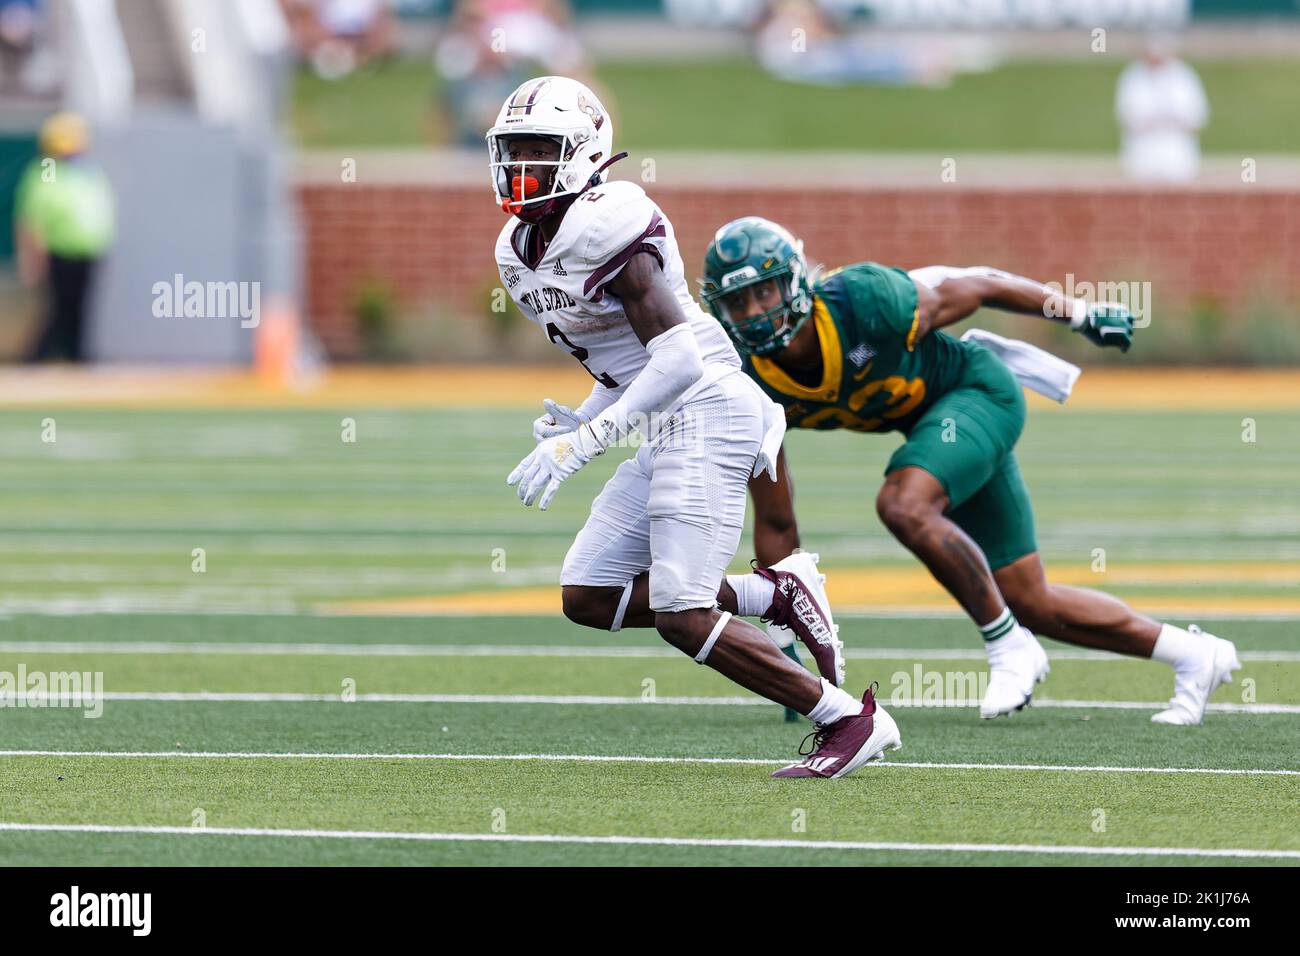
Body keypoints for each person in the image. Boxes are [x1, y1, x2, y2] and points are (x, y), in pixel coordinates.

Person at [493, 76, 899, 778]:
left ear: (587, 152)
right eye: (513, 149)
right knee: (588, 596)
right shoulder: (516, 250)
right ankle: (772, 596)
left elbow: (677, 352)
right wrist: (586, 414)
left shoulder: (608, 217)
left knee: (681, 612)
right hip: (667, 417)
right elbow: (623, 356)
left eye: (542, 148)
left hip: (709, 407)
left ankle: (848, 719)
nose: (523, 165)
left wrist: (587, 441)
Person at [696, 217, 1240, 727]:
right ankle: (1193, 655)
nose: (751, 312)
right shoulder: (746, 382)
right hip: (940, 434)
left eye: (762, 292)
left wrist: (1077, 312)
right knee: (1032, 598)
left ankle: (1007, 644)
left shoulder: (864, 302)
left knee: (903, 504)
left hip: (978, 395)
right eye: (736, 302)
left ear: (793, 282)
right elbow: (775, 520)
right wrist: (782, 628)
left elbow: (979, 285)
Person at [14, 112, 115, 362]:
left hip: (88, 250)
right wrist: (31, 254)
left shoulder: (86, 170)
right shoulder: (49, 169)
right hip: (61, 250)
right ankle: (38, 358)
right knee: (61, 309)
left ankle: (76, 355)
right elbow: (34, 214)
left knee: (79, 308)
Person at [1115, 35, 1208, 183]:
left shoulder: (1183, 76)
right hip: (1142, 153)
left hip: (1176, 153)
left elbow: (1196, 120)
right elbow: (1129, 119)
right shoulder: (1133, 76)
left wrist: (1167, 122)